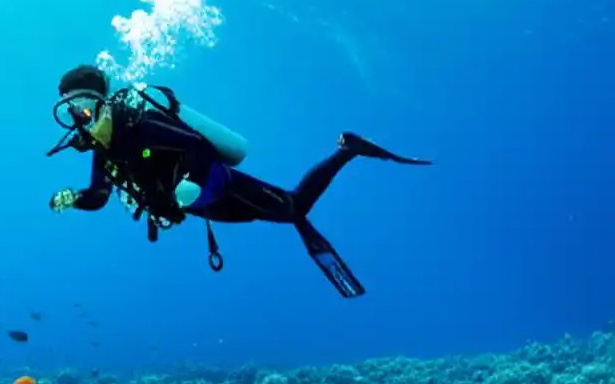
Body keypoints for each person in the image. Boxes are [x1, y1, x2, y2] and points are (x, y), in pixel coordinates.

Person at [46, 65, 431, 298]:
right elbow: (99, 195)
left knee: (294, 209)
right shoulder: (105, 151)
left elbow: (196, 145)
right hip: (204, 208)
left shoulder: (142, 125)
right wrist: (74, 198)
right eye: (69, 114)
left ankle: (348, 149)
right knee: (280, 214)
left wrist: (191, 183)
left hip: (219, 186)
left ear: (101, 102)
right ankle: (336, 164)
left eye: (83, 109)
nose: (79, 121)